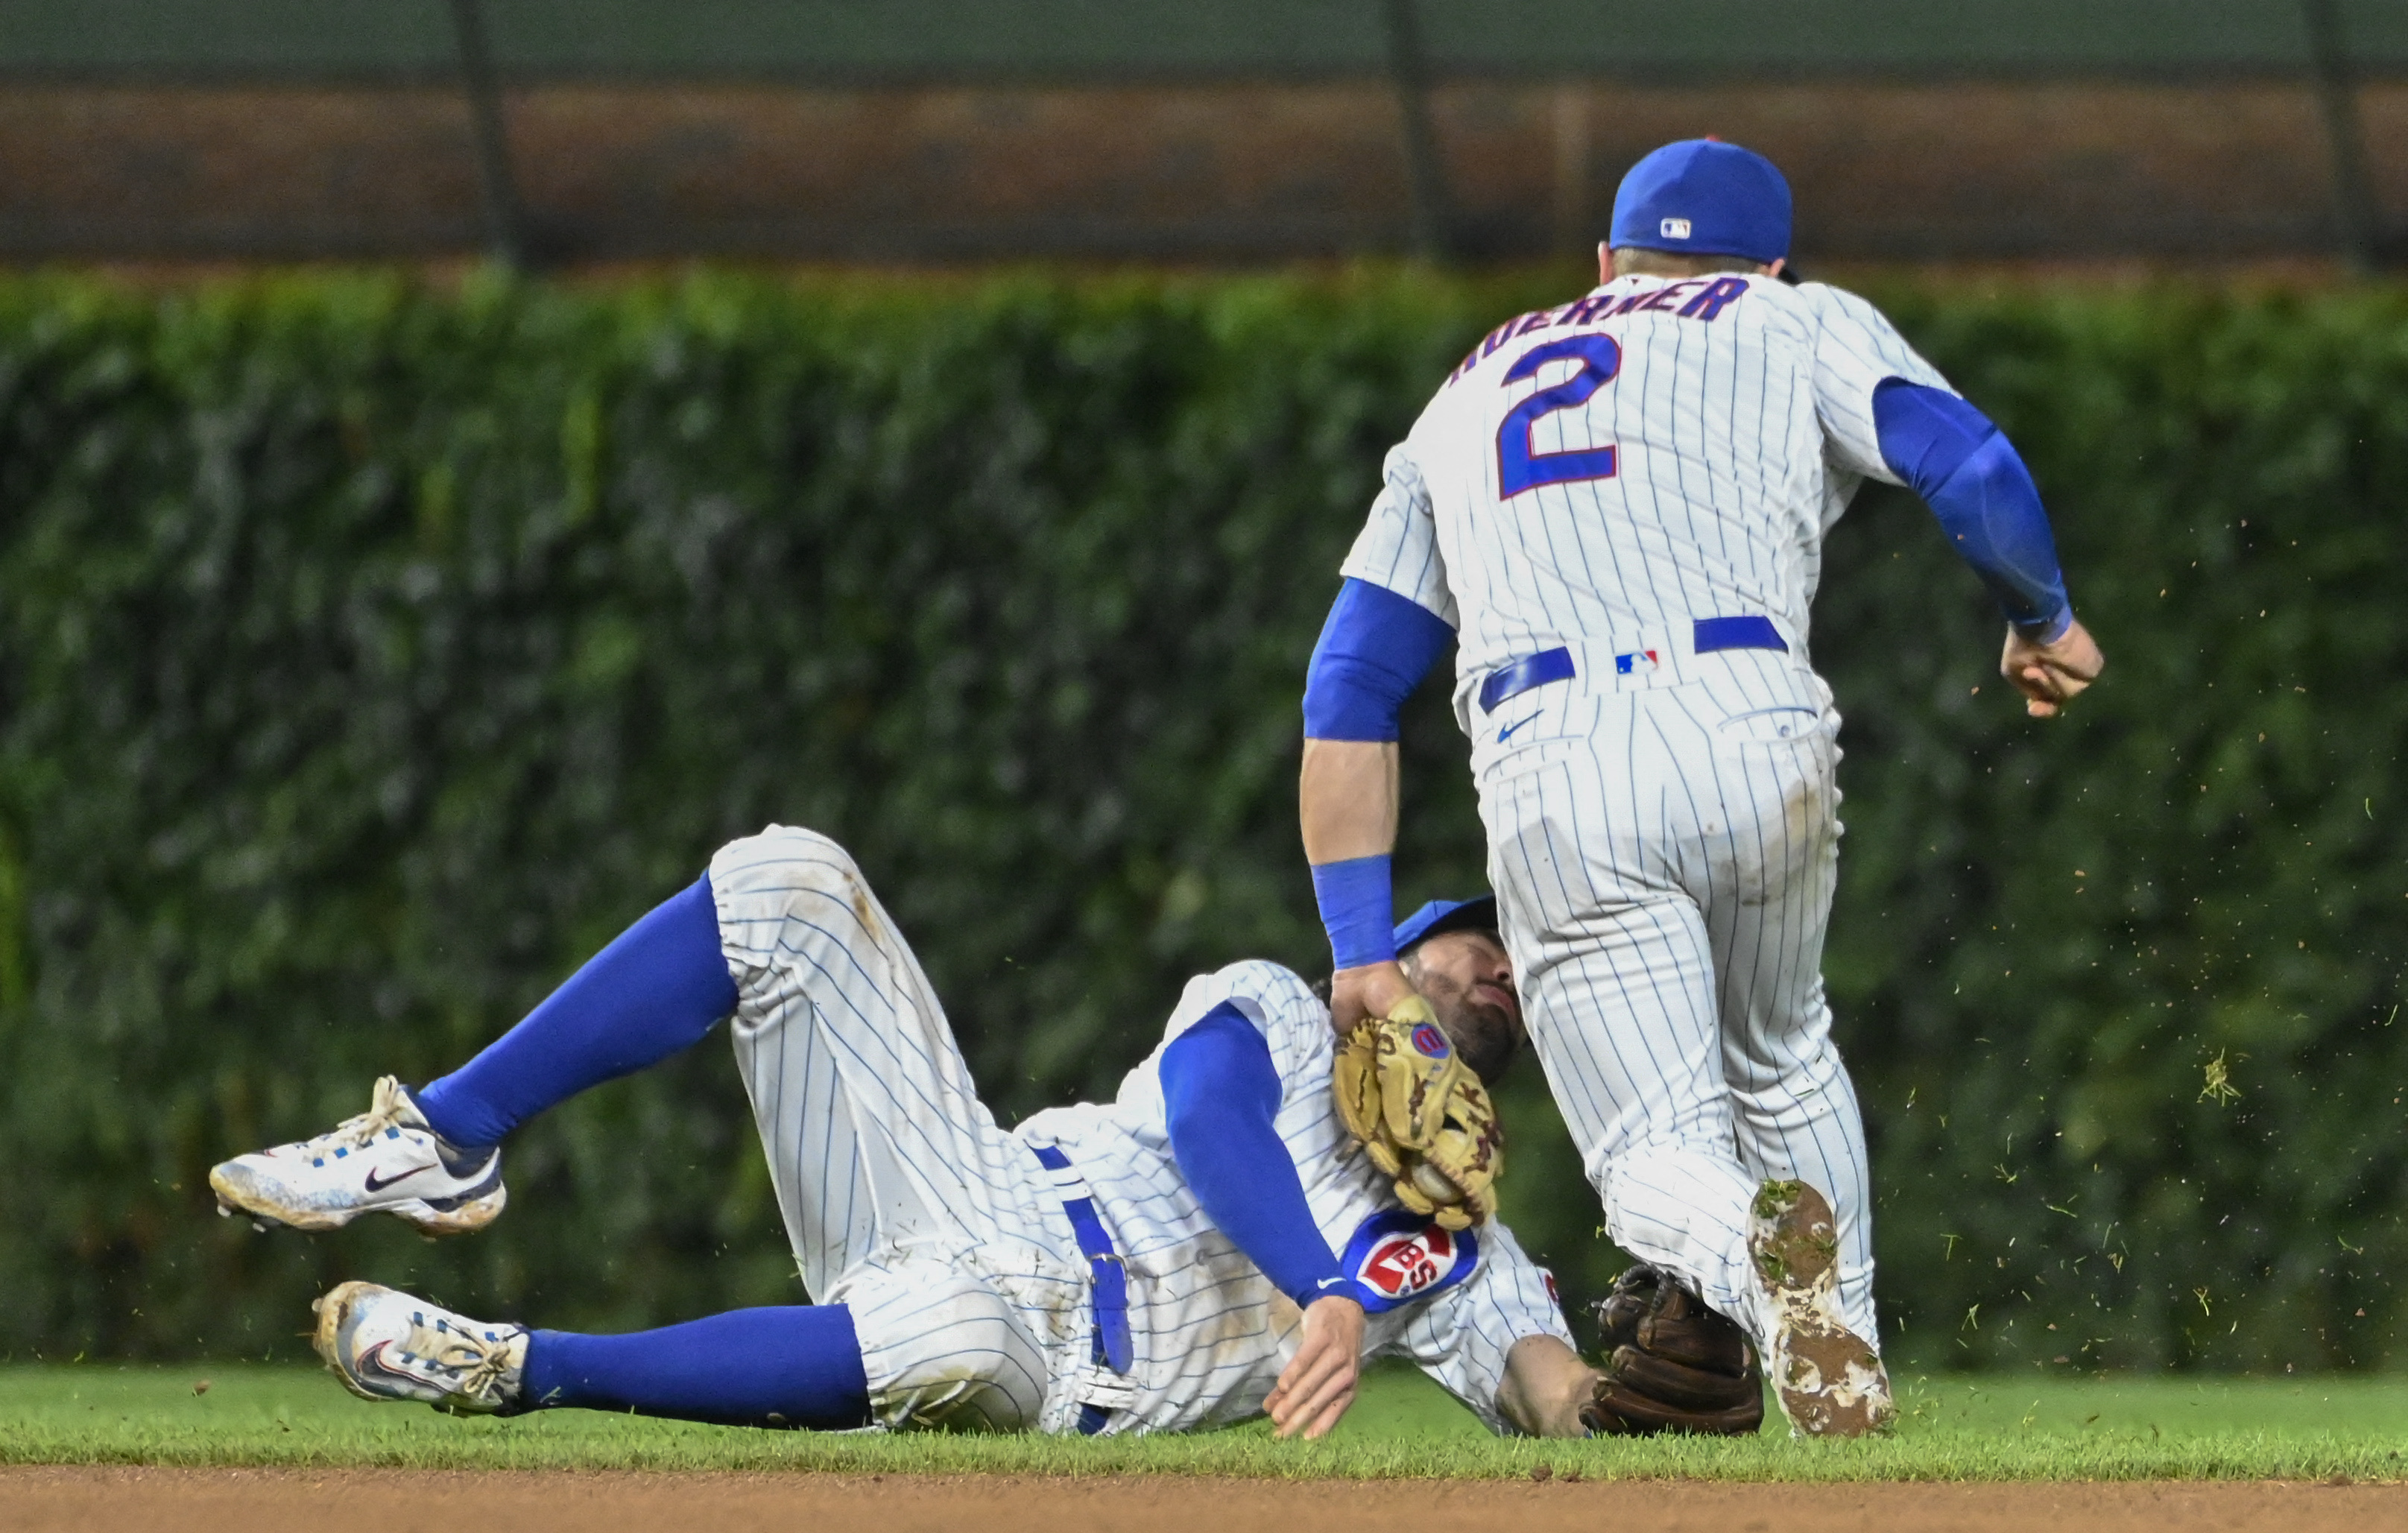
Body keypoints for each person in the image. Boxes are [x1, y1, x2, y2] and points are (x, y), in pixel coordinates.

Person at [1296, 139, 2105, 1436]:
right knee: (1783, 1053)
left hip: (1557, 756)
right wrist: (2042, 615)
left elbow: (1347, 688)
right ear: (1770, 262)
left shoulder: (1466, 391)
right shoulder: (1797, 320)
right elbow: (1976, 469)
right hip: (1756, 723)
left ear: (1605, 265)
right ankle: (1851, 1374)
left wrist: (1358, 951)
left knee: (1648, 1148)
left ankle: (1759, 1263)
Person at [209, 826, 1599, 1438]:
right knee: (794, 881)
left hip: (1052, 1374)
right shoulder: (1278, 1014)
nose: (1504, 978)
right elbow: (1212, 1116)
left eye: (1529, 990)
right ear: (1403, 947)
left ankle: (509, 1369)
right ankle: (448, 1135)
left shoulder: (1462, 1243)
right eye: (1486, 943)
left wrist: (1673, 1375)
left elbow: (1559, 1397)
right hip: (980, 1185)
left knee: (957, 1333)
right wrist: (1329, 1292)